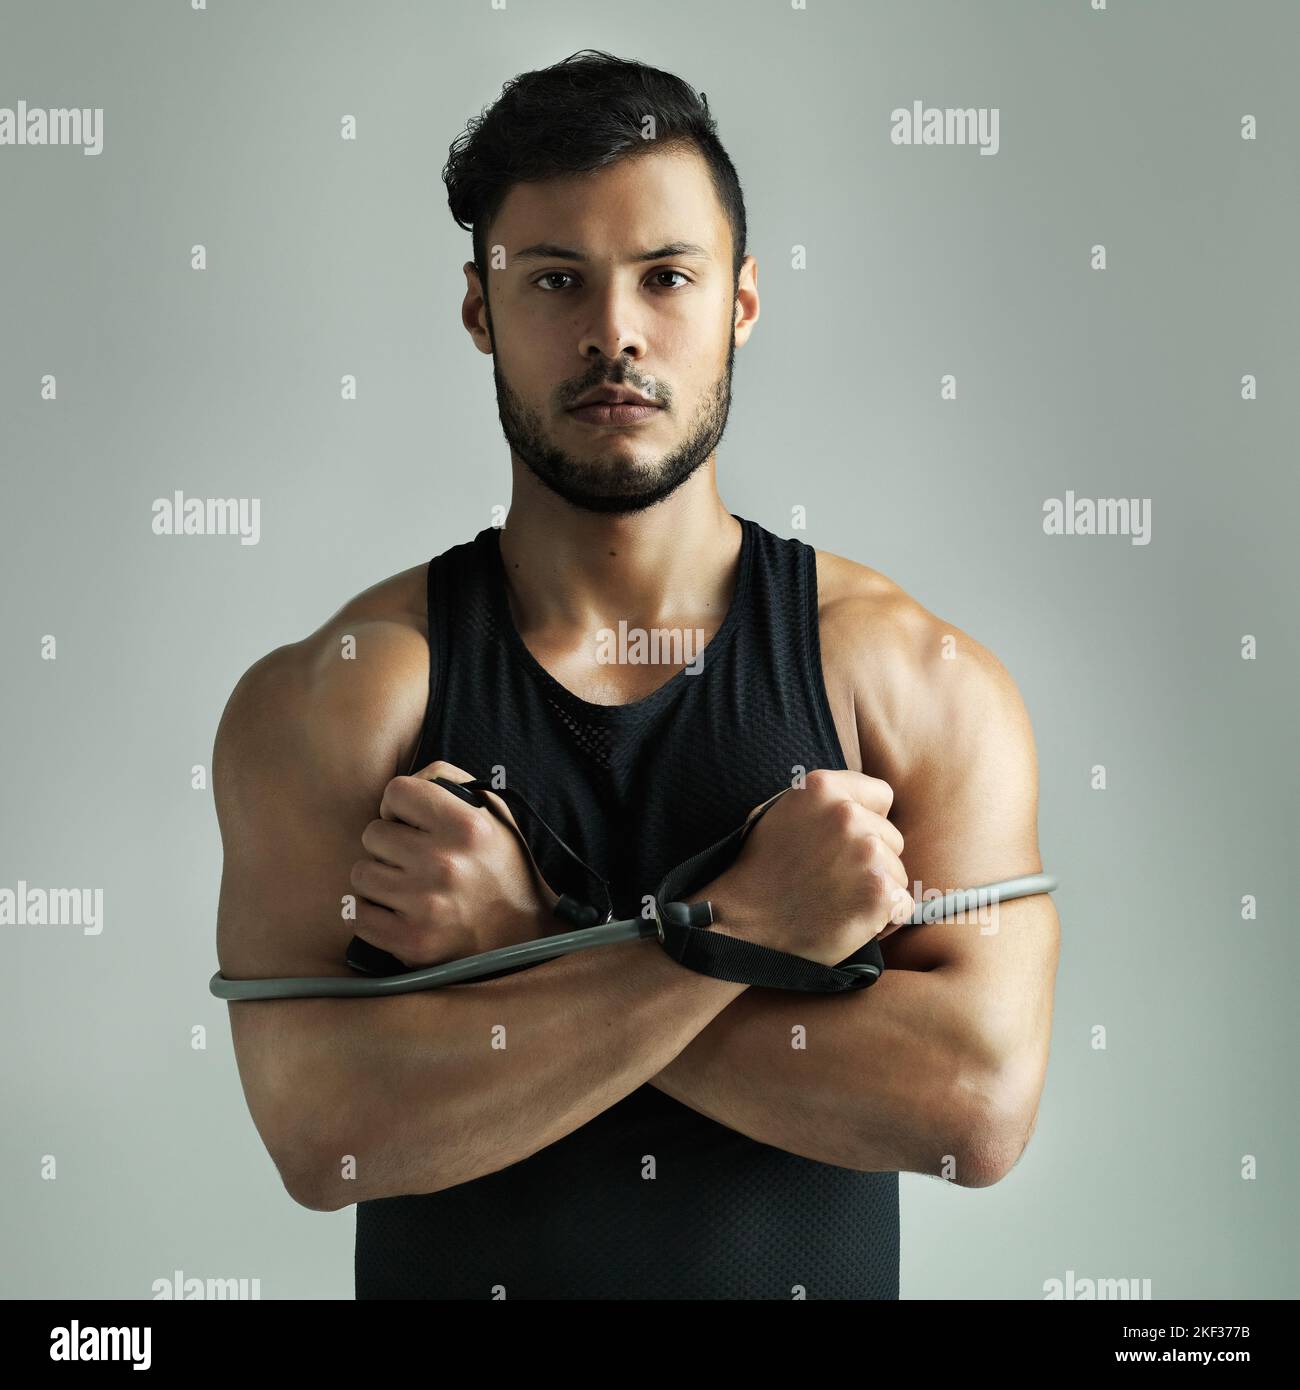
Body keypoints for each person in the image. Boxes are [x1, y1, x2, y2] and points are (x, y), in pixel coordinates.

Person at [213, 50, 1060, 1300]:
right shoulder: (337, 700)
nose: (614, 331)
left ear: (741, 304)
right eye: (556, 279)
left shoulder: (909, 679)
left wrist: (526, 938)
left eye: (667, 276)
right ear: (478, 309)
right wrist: (751, 931)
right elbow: (322, 1135)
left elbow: (974, 1111)